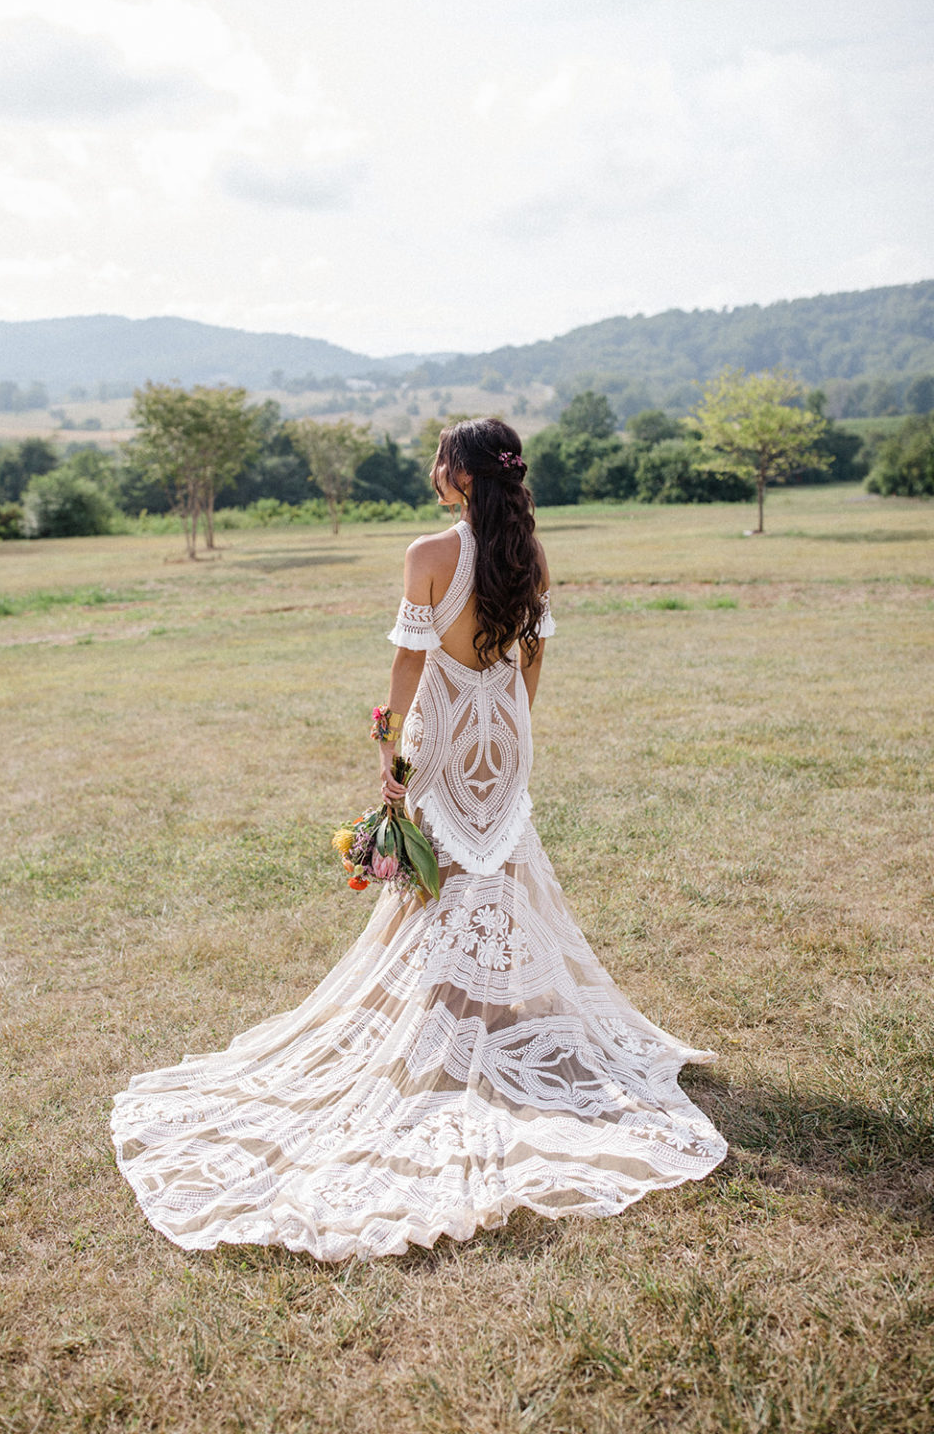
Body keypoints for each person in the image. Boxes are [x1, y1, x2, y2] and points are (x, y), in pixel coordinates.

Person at [111, 418, 726, 1259]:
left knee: (437, 873)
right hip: (504, 732)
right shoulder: (531, 553)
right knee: (497, 865)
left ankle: (450, 1016)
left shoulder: (428, 554)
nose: (433, 470)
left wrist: (387, 747)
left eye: (441, 460)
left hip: (443, 730)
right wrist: (510, 729)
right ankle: (482, 1005)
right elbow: (533, 658)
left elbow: (408, 663)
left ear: (462, 476)